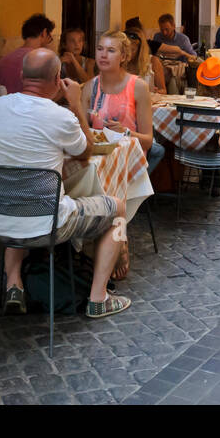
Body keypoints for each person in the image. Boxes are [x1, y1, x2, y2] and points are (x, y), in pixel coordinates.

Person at [0, 48, 131, 319]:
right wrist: (75, 103)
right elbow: (85, 150)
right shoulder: (60, 116)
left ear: (21, 75)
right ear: (57, 78)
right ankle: (99, 298)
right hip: (46, 224)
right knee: (118, 208)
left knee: (18, 194)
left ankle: (14, 283)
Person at [87, 29, 161, 280]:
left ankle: (119, 238)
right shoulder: (90, 88)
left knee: (107, 184)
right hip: (98, 160)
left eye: (110, 50)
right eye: (99, 49)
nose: (103, 55)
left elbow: (149, 141)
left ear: (124, 56)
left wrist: (127, 132)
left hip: (128, 162)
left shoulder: (137, 87)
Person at [0, 13, 55, 94]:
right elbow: (47, 95)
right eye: (50, 35)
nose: (50, 40)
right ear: (44, 33)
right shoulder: (40, 61)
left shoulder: (3, 60)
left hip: (5, 105)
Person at [151, 13, 199, 91]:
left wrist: (182, 53)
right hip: (162, 69)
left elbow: (194, 58)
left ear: (173, 26)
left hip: (178, 73)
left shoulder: (183, 39)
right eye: (162, 30)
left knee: (172, 80)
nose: (164, 33)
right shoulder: (157, 37)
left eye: (167, 29)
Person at [123, 22, 167, 95]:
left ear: (140, 50)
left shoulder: (153, 62)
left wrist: (155, 92)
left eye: (132, 50)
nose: (128, 53)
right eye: (125, 50)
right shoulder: (120, 63)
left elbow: (163, 91)